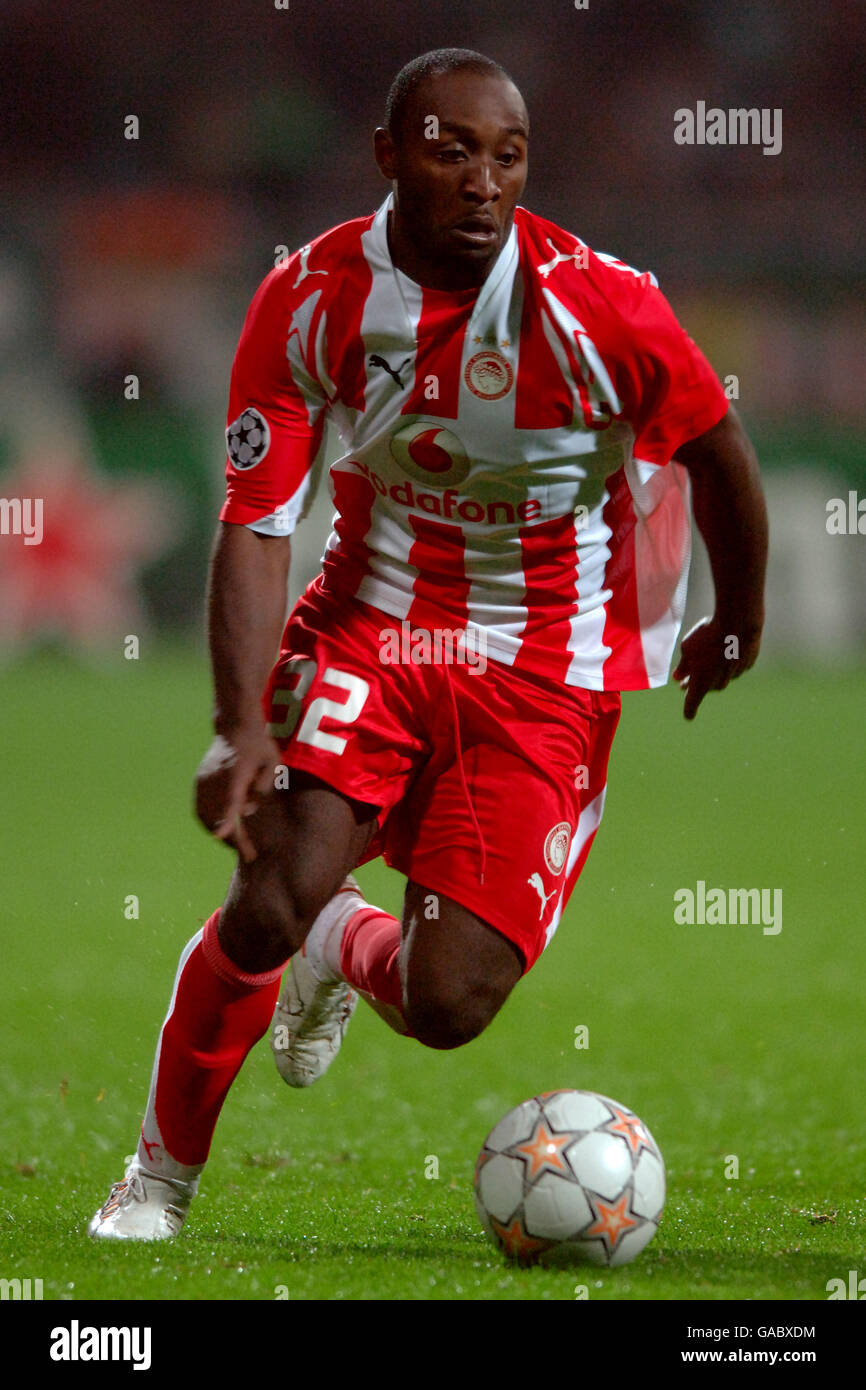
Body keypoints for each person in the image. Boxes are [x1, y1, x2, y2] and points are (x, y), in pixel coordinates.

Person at [89, 48, 767, 1241]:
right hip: (376, 629)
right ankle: (156, 1180)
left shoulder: (597, 304)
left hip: (546, 672)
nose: (482, 181)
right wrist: (238, 726)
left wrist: (737, 616)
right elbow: (255, 525)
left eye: (506, 156)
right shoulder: (311, 297)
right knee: (266, 896)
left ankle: (338, 945)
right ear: (389, 154)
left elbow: (718, 452)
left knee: (449, 1003)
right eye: (450, 149)